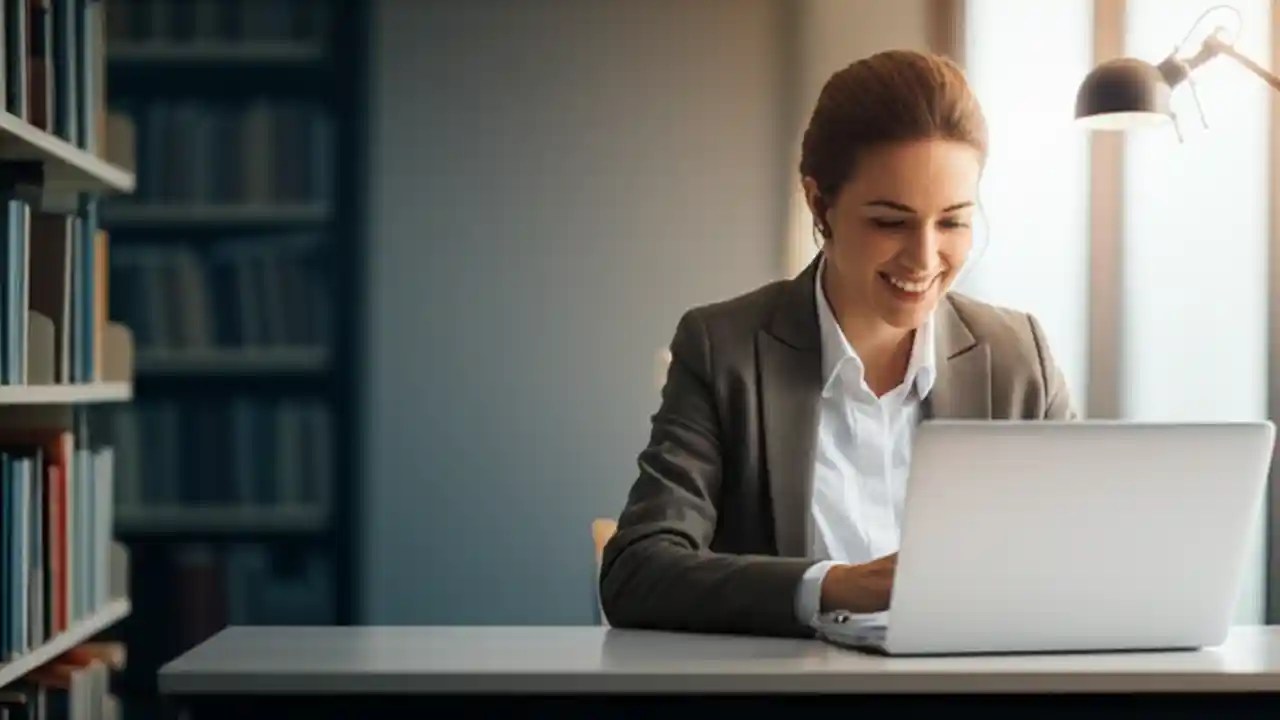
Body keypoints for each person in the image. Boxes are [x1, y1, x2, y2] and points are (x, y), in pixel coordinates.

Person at [598, 49, 1078, 638]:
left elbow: (1079, 558)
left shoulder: (1018, 357)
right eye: (890, 221)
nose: (925, 259)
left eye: (953, 222)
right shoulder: (725, 350)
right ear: (819, 204)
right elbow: (637, 572)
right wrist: (838, 586)